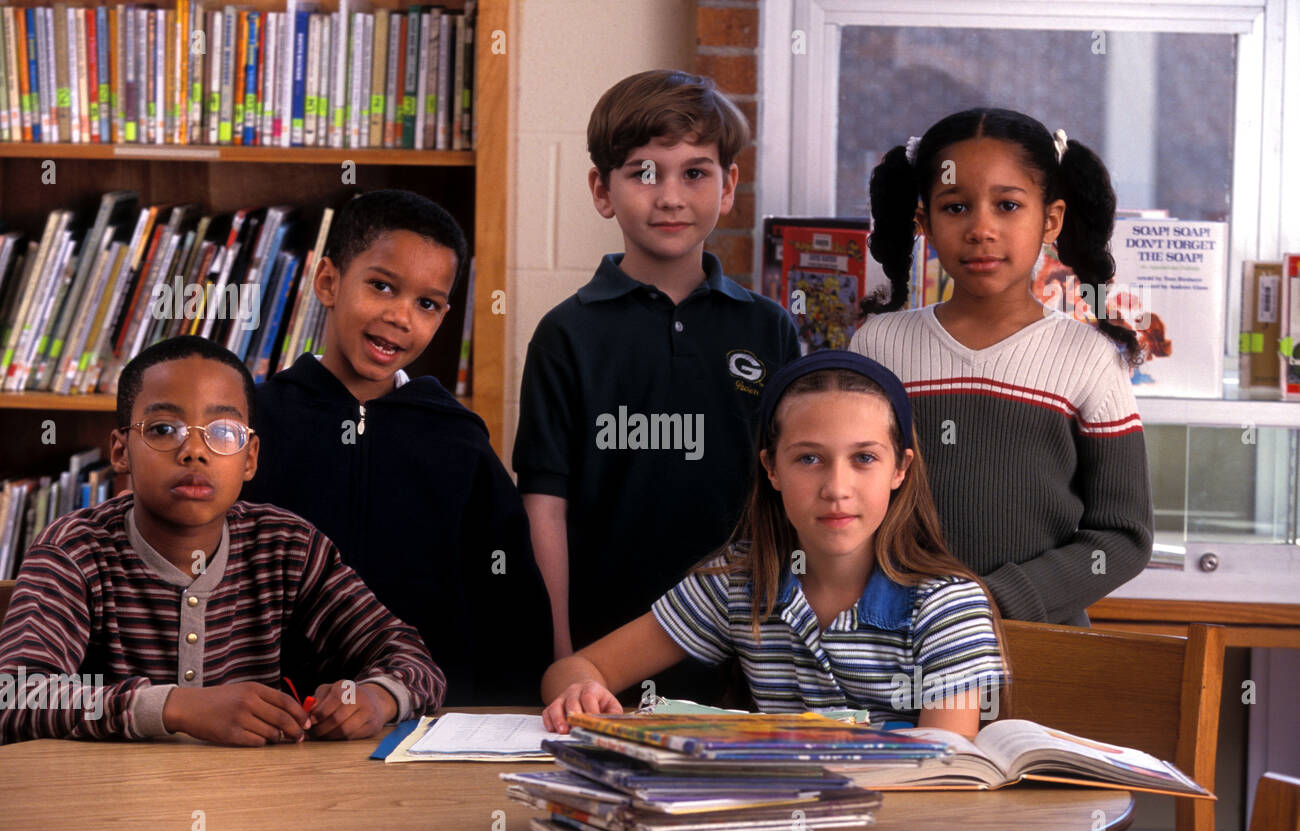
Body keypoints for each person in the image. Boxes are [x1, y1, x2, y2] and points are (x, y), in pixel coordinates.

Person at [513, 69, 801, 704]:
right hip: (604, 655)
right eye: (645, 172)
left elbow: (792, 492)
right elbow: (544, 508)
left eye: (694, 172)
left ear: (728, 186)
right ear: (602, 189)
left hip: (748, 650)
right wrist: (564, 654)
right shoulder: (566, 334)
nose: (669, 195)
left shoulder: (770, 327)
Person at [0, 336, 445, 745]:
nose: (194, 451)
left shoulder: (288, 548)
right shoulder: (73, 551)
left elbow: (413, 660)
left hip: (254, 805)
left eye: (223, 433)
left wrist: (376, 698)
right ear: (120, 451)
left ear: (249, 458)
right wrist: (176, 706)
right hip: (109, 807)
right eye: (162, 429)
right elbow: (16, 694)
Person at [541, 352, 1006, 738]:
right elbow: (572, 668)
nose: (836, 488)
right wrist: (581, 689)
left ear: (900, 469)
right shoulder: (740, 581)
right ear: (772, 468)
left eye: (864, 458)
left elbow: (947, 767)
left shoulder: (947, 605)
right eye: (809, 458)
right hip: (773, 828)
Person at [241, 190, 552, 706]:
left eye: (426, 304)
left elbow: (509, 599)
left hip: (427, 724)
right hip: (276, 721)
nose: (401, 317)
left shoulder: (458, 441)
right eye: (382, 287)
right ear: (328, 282)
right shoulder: (255, 424)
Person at [852, 108, 1154, 626]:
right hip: (891, 642)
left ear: (1050, 220)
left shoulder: (1088, 358)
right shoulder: (878, 347)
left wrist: (992, 601)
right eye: (956, 207)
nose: (981, 229)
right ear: (924, 222)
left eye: (1008, 205)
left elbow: (1123, 535)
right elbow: (842, 495)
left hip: (1040, 648)